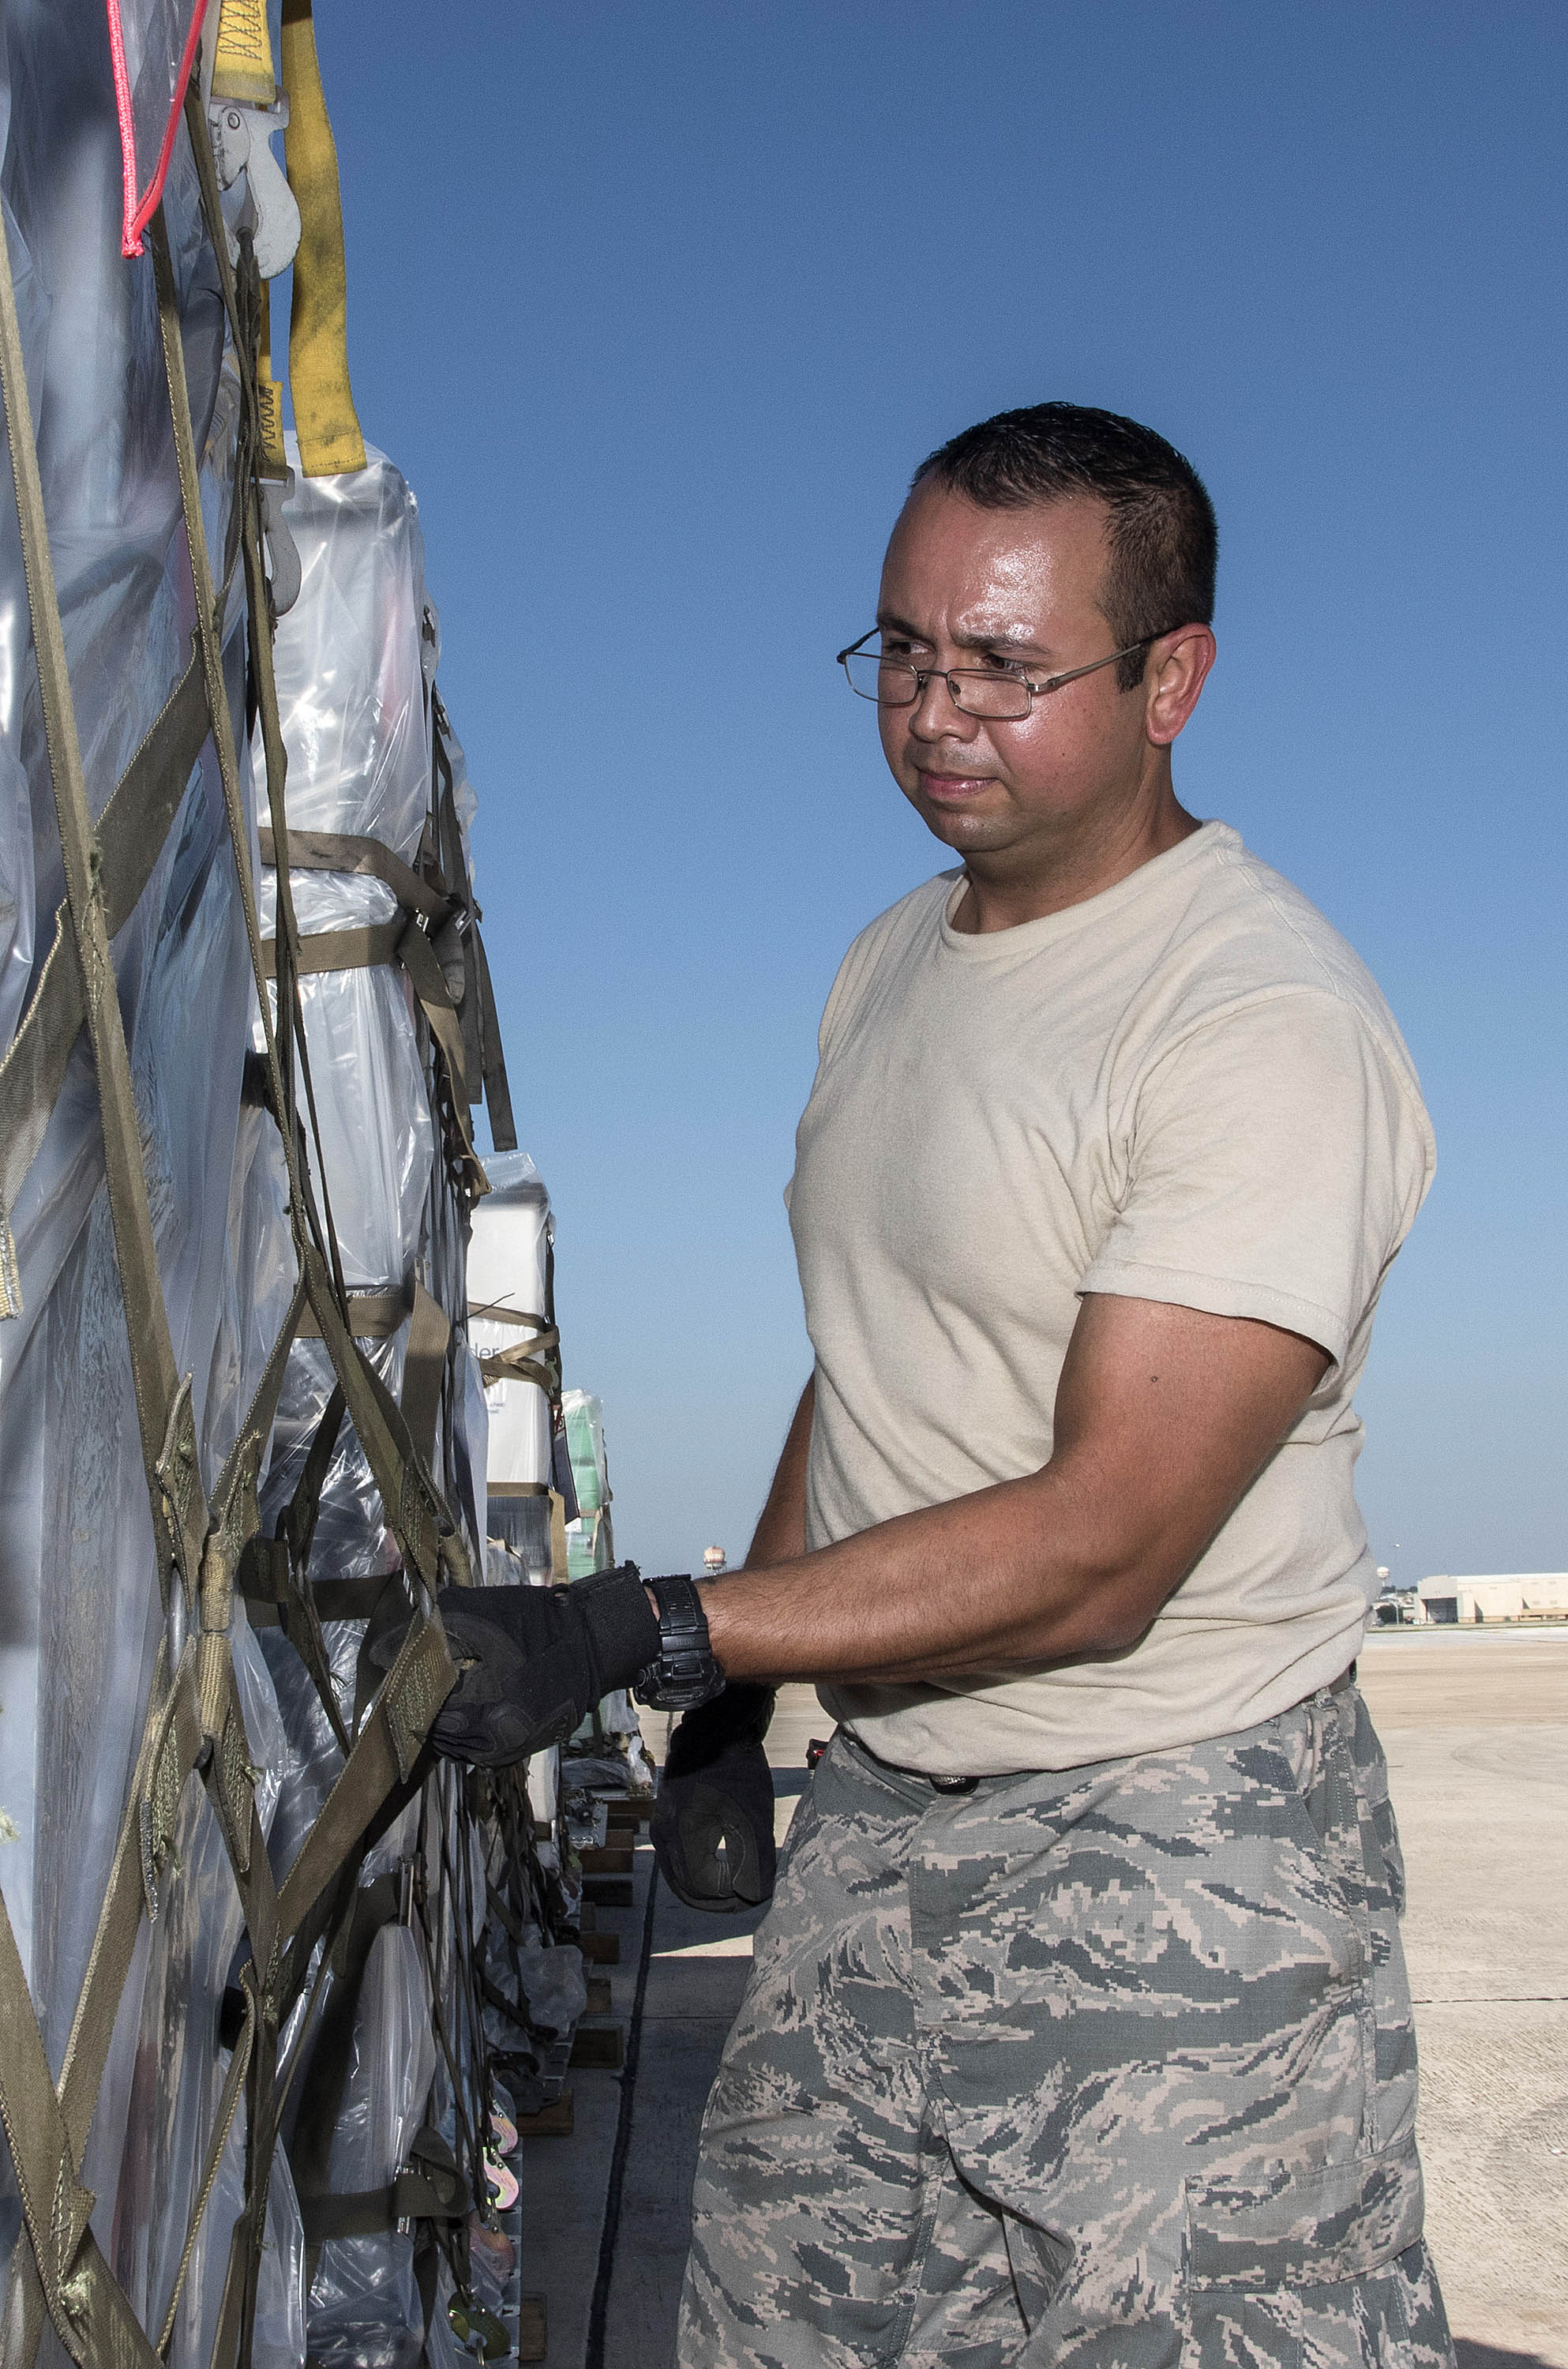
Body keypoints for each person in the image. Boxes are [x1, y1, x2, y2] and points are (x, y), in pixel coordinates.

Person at [425, 402, 1454, 2368]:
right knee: (776, 2327)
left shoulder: (1254, 1018)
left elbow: (1103, 1543)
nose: (932, 713)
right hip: (892, 1820)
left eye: (1003, 666)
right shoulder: (889, 959)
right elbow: (874, 1363)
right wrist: (738, 1701)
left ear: (1173, 680)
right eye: (901, 650)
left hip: (1175, 1849)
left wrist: (652, 1626)